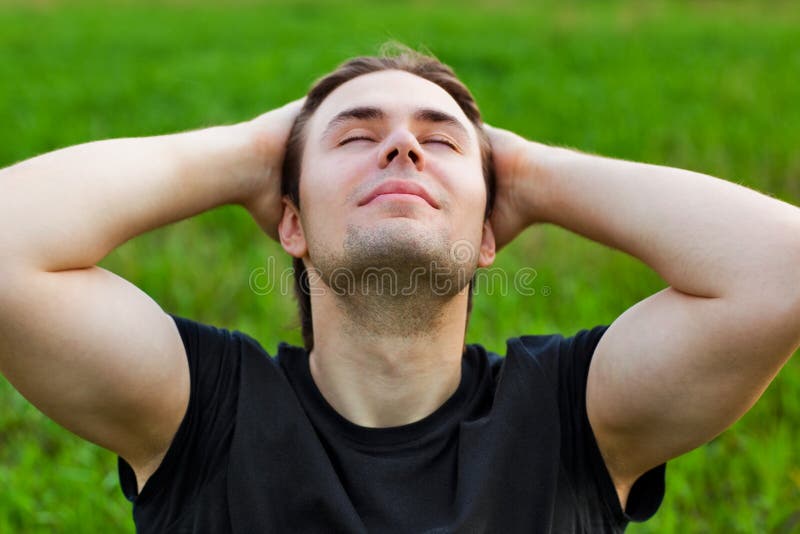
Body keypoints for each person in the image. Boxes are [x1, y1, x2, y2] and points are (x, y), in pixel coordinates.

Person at [0, 45, 798, 533]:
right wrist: (247, 152)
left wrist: (530, 170)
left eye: (440, 141)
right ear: (290, 224)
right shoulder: (208, 414)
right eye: (356, 135)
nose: (403, 148)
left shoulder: (564, 419)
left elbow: (781, 268)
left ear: (489, 233)